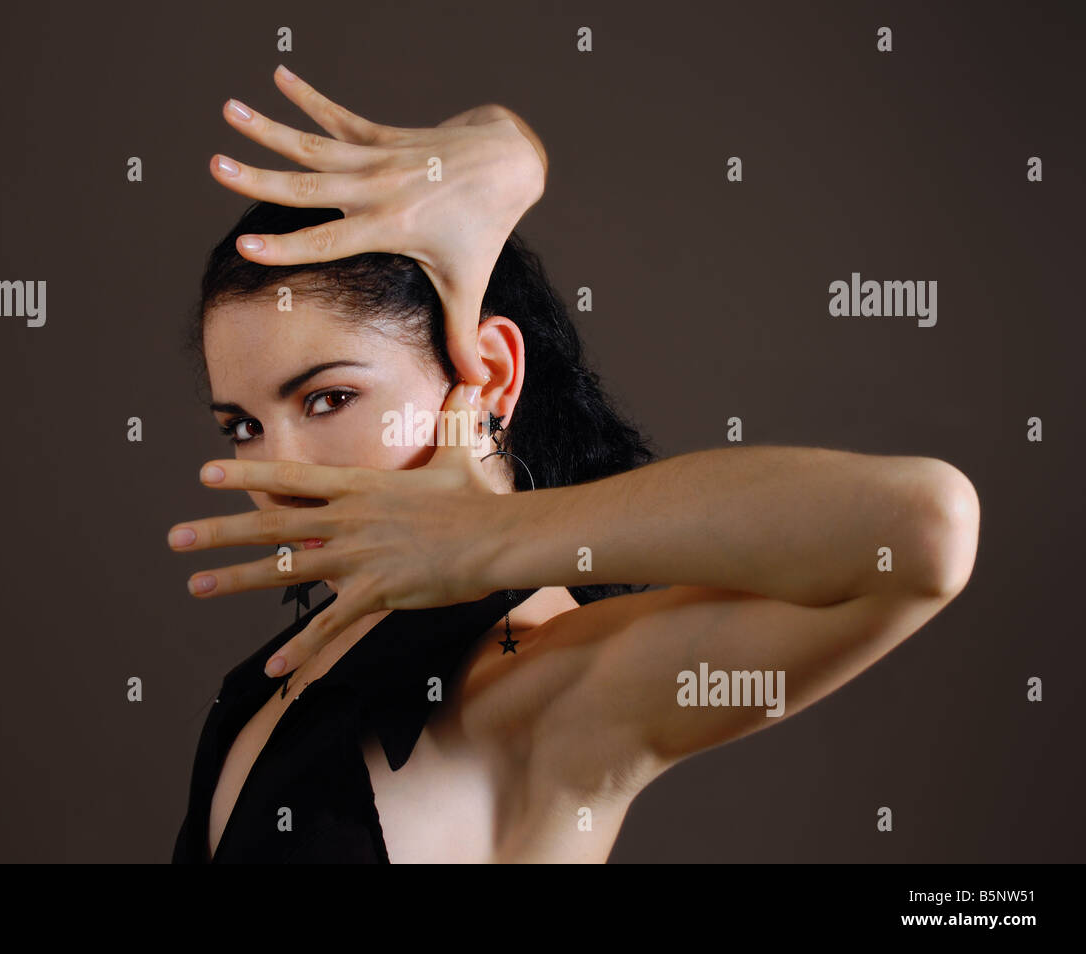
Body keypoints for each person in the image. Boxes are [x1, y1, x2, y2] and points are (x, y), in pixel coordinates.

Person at [167, 66, 980, 863]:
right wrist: (511, 152)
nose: (273, 474)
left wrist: (489, 534)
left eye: (327, 401)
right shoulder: (286, 675)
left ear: (490, 374)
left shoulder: (538, 688)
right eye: (242, 425)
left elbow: (925, 528)